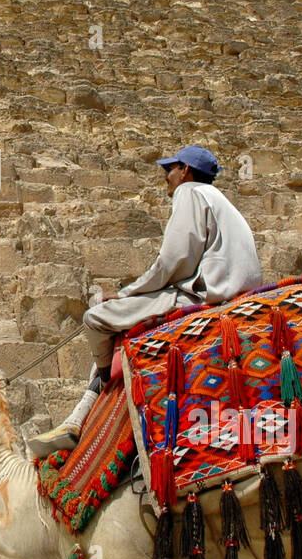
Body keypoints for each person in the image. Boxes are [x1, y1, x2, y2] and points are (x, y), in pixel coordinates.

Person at [28, 145, 264, 457]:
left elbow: (173, 260)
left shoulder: (190, 193)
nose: (166, 176)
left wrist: (128, 292)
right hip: (232, 291)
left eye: (171, 169)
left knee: (96, 318)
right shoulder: (222, 202)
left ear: (187, 171)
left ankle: (98, 386)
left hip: (204, 296)